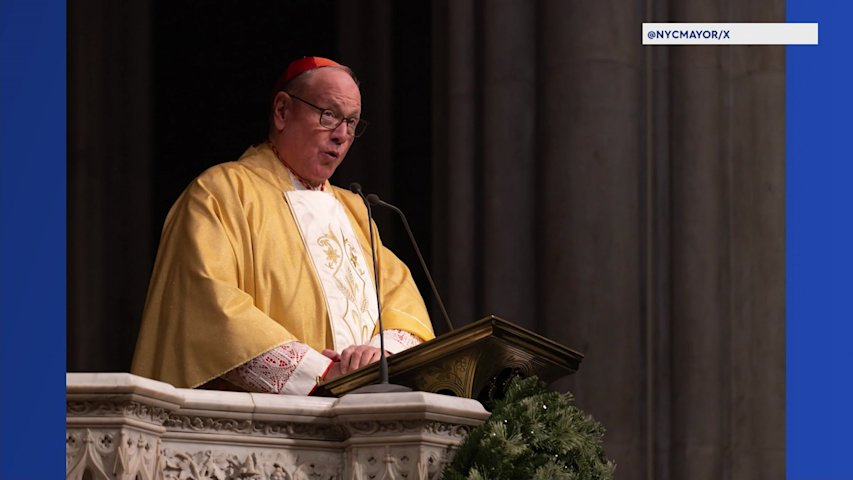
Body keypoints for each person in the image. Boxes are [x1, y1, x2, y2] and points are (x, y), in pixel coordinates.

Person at [131, 56, 434, 395]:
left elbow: (400, 300)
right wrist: (323, 374)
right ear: (282, 111)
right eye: (329, 115)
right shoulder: (222, 192)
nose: (341, 136)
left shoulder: (355, 212)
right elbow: (205, 305)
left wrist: (380, 354)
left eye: (352, 122)